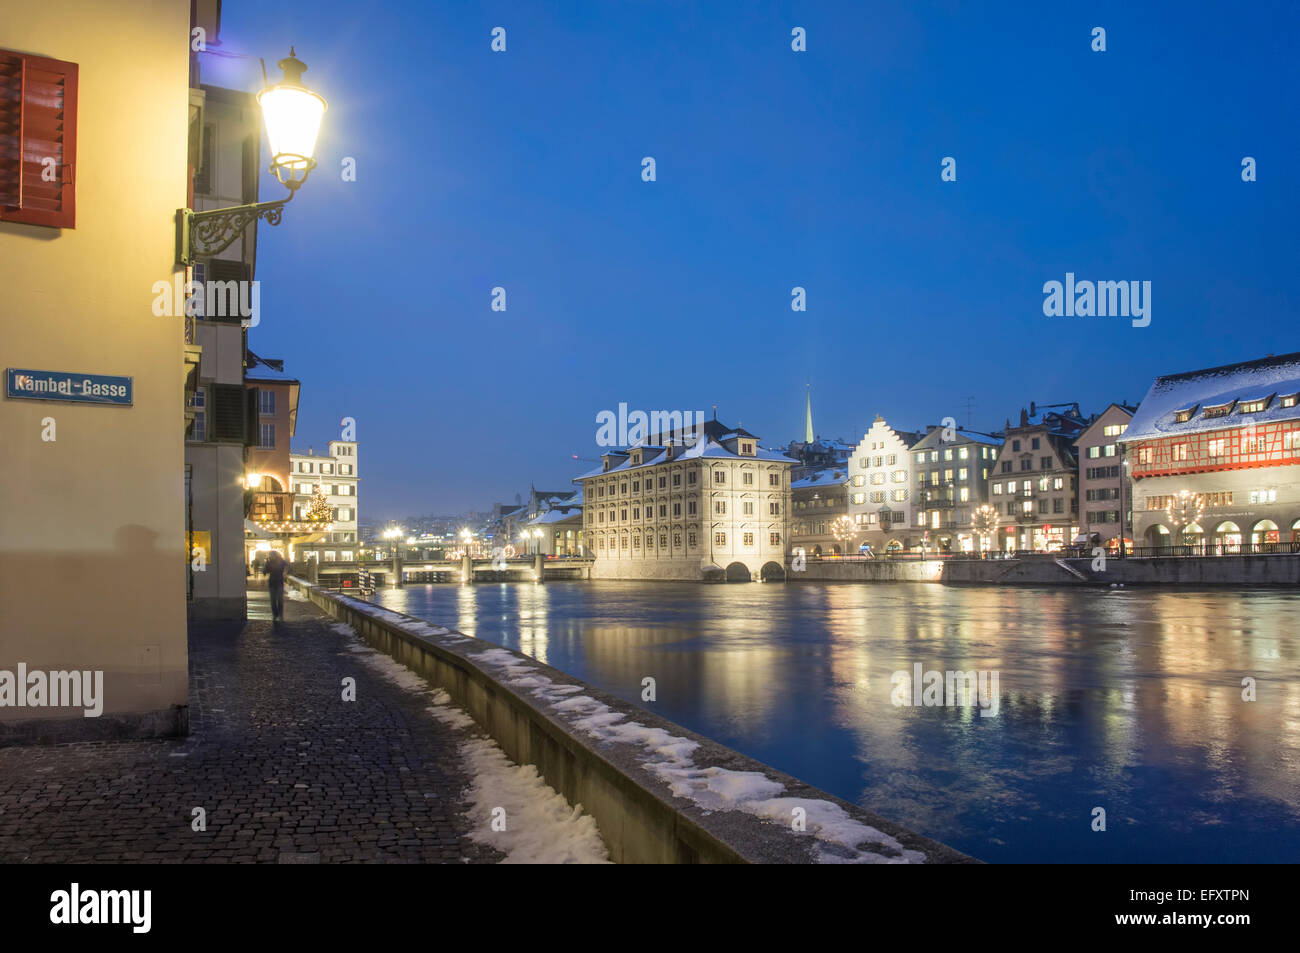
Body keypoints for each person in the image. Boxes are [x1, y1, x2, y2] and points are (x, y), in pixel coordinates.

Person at [265, 550, 287, 621]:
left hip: (279, 582)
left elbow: (288, 567)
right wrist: (267, 564)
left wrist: (285, 572)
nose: (271, 556)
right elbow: (265, 571)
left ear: (276, 555)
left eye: (272, 555)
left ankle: (280, 615)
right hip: (272, 582)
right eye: (270, 555)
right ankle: (275, 615)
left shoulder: (281, 561)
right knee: (273, 600)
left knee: (280, 600)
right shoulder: (269, 562)